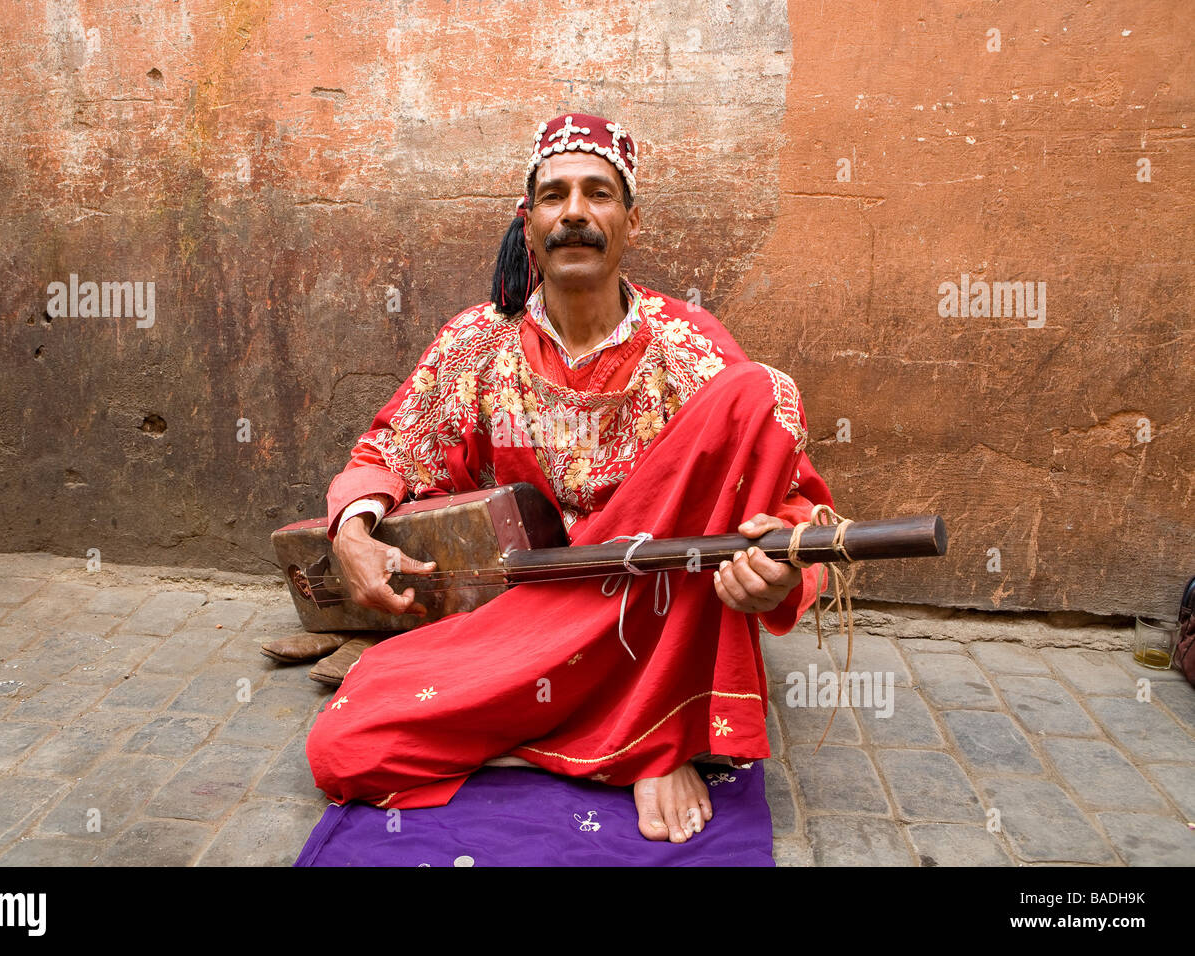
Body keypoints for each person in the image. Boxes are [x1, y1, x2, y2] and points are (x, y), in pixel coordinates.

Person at [304, 113, 836, 844]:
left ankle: (655, 727)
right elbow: (391, 449)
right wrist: (354, 531)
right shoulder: (476, 344)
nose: (576, 214)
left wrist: (778, 575)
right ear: (528, 226)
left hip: (665, 625)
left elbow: (798, 510)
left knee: (758, 391)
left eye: (599, 194)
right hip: (535, 625)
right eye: (554, 196)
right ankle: (607, 745)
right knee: (344, 745)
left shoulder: (690, 348)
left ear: (631, 221)